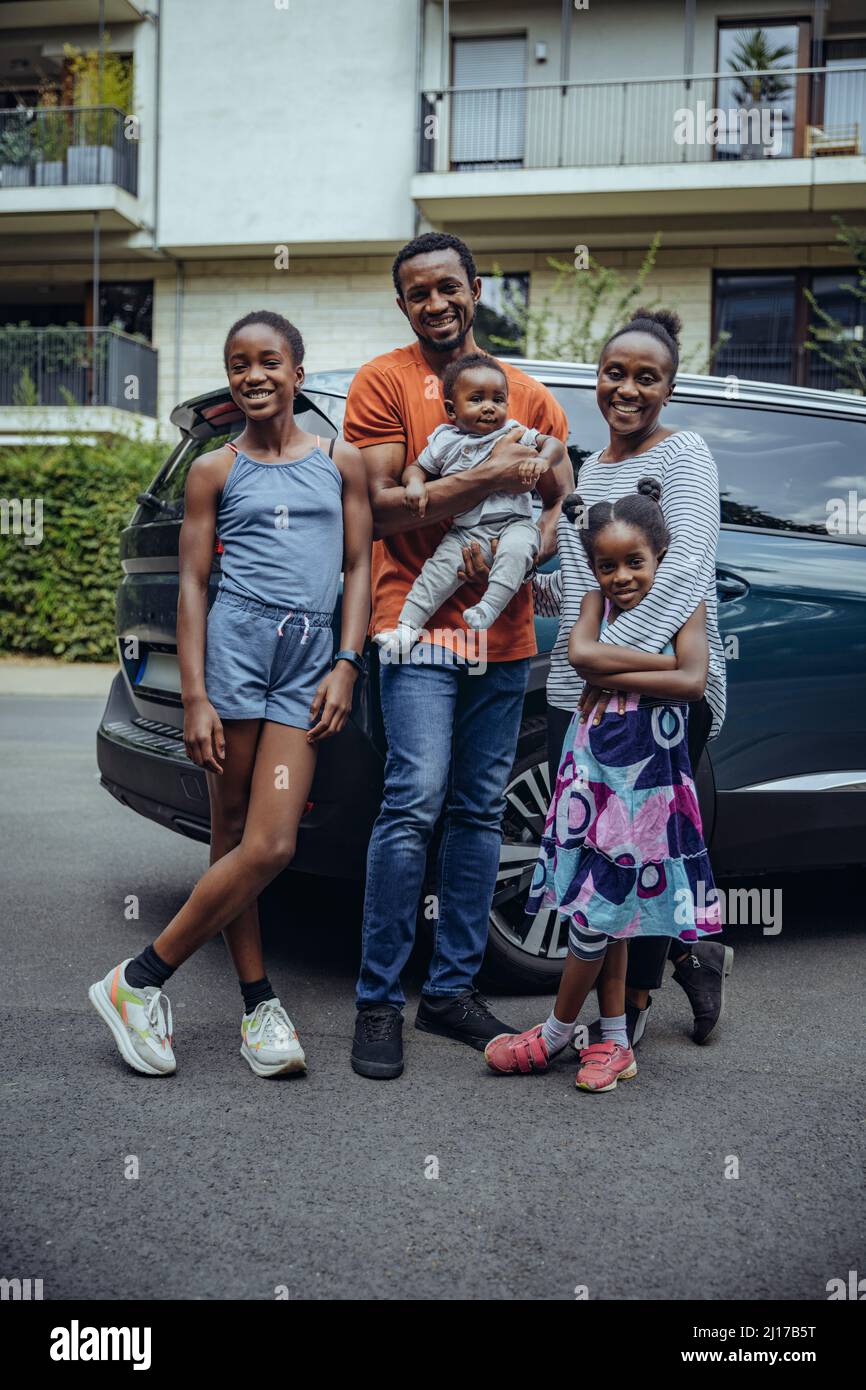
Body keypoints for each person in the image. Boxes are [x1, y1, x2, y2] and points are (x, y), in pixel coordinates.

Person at [89, 310, 372, 1078]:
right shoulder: (215, 469)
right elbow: (191, 583)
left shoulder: (340, 463)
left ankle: (137, 979)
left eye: (268, 361)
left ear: (297, 373)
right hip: (234, 659)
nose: (253, 375)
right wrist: (197, 697)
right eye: (238, 363)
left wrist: (346, 662)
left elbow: (358, 570)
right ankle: (258, 1005)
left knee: (272, 843)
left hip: (308, 661)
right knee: (234, 830)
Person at [343, 231, 571, 1080]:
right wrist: (480, 483)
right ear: (403, 305)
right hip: (413, 621)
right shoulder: (383, 382)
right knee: (414, 800)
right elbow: (380, 511)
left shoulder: (532, 396)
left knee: (478, 812)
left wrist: (535, 546)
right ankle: (377, 1001)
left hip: (503, 634)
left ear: (475, 289)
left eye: (448, 287)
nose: (434, 303)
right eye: (416, 294)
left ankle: (450, 991)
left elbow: (558, 502)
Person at [532, 307, 732, 1047]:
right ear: (598, 379)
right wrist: (526, 587)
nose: (628, 389)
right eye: (616, 373)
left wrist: (610, 668)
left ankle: (636, 1002)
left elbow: (686, 569)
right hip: (581, 696)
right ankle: (691, 951)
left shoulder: (686, 455)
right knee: (601, 848)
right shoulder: (591, 471)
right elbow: (585, 587)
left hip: (658, 686)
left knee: (641, 846)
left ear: (669, 387)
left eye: (647, 377)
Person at [485, 479, 724, 1090]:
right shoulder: (593, 603)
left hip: (645, 789)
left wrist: (625, 669)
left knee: (596, 916)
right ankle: (613, 1041)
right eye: (606, 565)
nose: (620, 577)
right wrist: (659, 665)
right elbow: (582, 657)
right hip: (592, 776)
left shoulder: (683, 604)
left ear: (661, 557)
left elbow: (694, 680)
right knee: (602, 910)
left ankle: (557, 1031)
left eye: (634, 562)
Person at [375, 351, 564, 656]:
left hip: (513, 525)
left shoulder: (514, 432)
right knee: (435, 574)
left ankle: (488, 607)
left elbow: (555, 445)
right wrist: (413, 484)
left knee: (517, 551)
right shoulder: (444, 440)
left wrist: (543, 461)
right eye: (477, 399)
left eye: (498, 399)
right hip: (465, 532)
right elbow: (416, 468)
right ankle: (406, 630)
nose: (489, 407)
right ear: (452, 409)